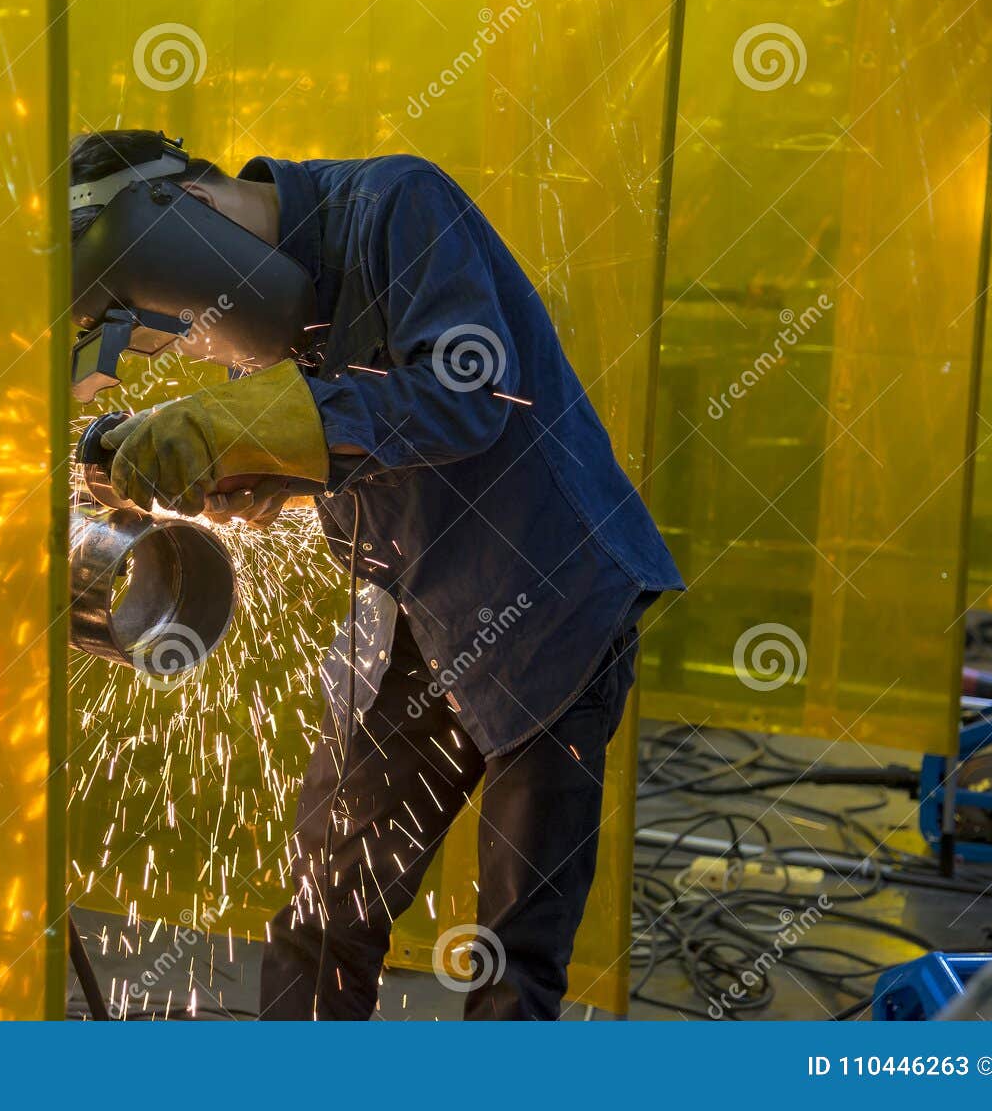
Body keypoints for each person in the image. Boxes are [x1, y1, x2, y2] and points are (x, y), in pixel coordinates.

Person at [68, 130, 684, 1019]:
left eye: (170, 323)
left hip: (547, 597)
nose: (192, 350)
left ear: (188, 215)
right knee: (324, 910)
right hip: (410, 612)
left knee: (512, 960)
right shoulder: (260, 320)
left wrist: (251, 425)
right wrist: (265, 476)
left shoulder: (397, 203)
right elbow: (352, 438)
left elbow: (467, 398)